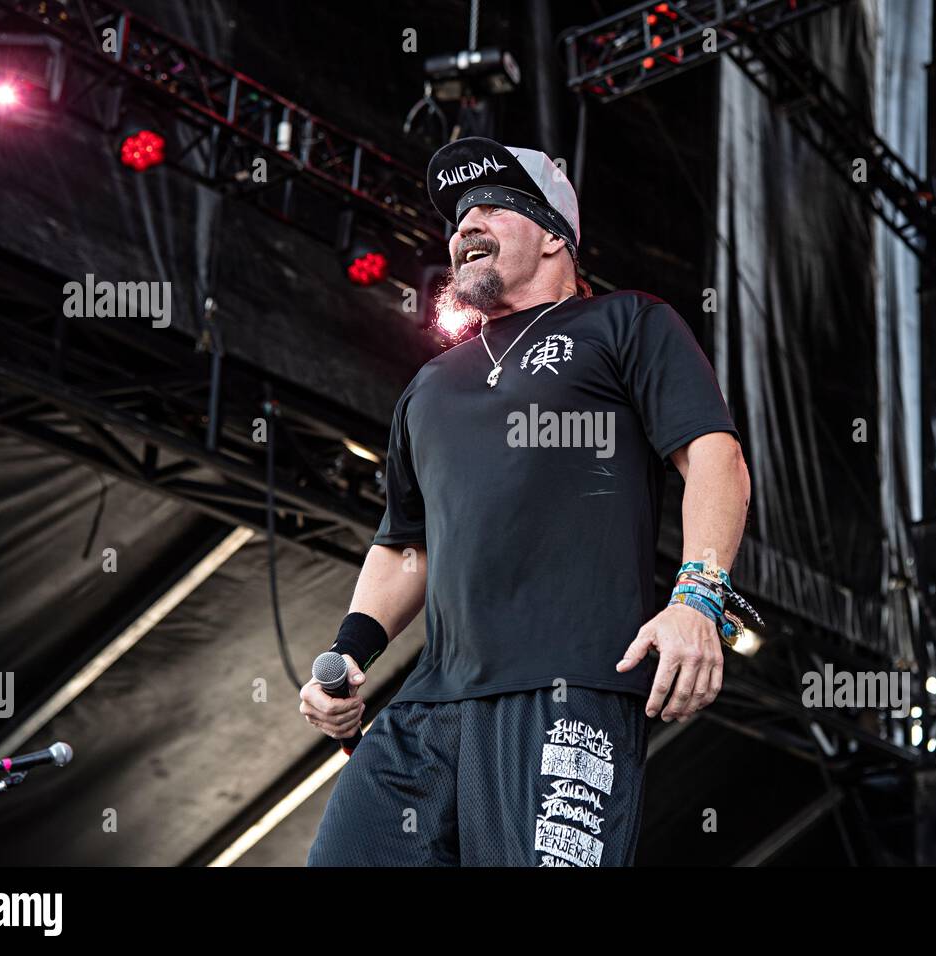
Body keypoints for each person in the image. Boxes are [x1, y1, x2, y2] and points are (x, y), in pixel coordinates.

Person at [303, 136, 750, 866]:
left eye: (493, 207)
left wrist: (698, 597)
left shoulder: (627, 324)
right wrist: (350, 651)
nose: (464, 225)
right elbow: (407, 544)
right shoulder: (429, 387)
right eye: (457, 216)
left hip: (566, 690)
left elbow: (714, 456)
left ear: (553, 236)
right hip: (428, 704)